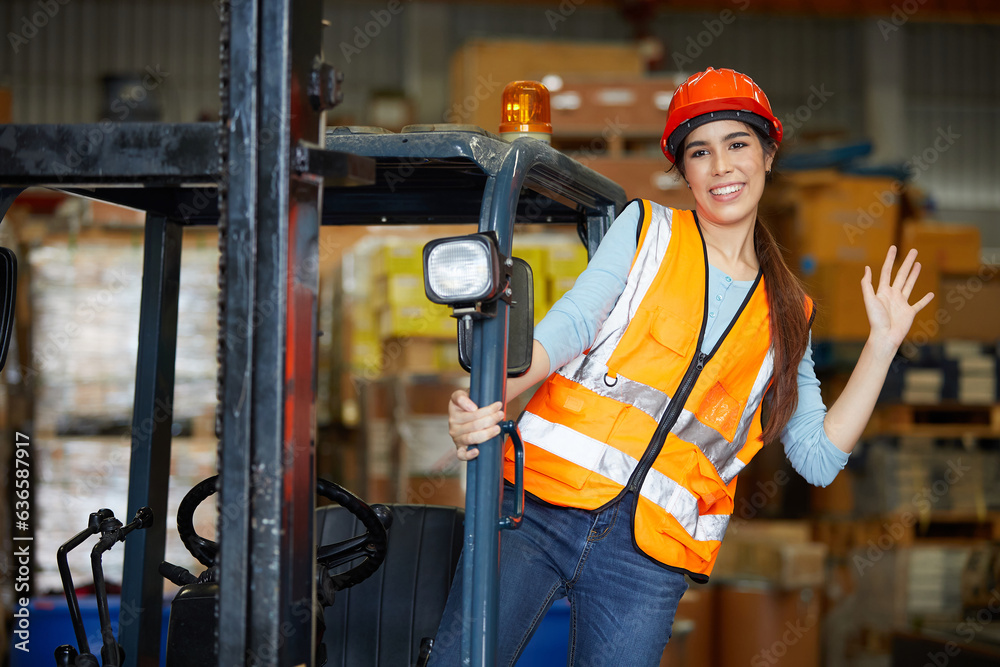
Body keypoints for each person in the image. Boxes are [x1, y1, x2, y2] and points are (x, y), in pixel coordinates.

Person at [429, 67, 934, 666]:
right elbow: (572, 326)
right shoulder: (647, 231)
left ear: (768, 156)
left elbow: (819, 459)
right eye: (701, 151)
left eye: (738, 144)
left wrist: (880, 347)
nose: (721, 166)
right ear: (684, 169)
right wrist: (488, 398)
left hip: (648, 558)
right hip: (536, 509)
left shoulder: (788, 312)